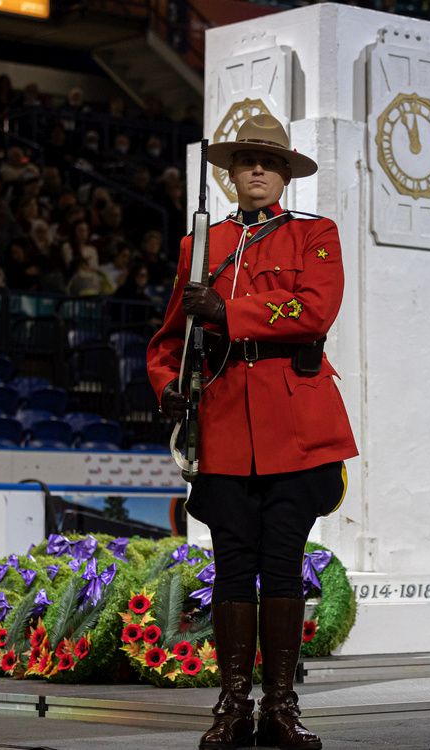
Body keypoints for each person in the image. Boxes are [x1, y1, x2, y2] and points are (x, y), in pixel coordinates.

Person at [147, 113, 357, 750]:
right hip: (224, 423)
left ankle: (282, 709)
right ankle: (234, 706)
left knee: (283, 564)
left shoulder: (316, 234)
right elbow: (169, 339)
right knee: (233, 566)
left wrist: (231, 310)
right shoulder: (198, 246)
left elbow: (315, 309)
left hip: (295, 423)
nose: (258, 171)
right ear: (229, 173)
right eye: (245, 161)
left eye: (269, 162)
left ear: (287, 174)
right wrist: (167, 386)